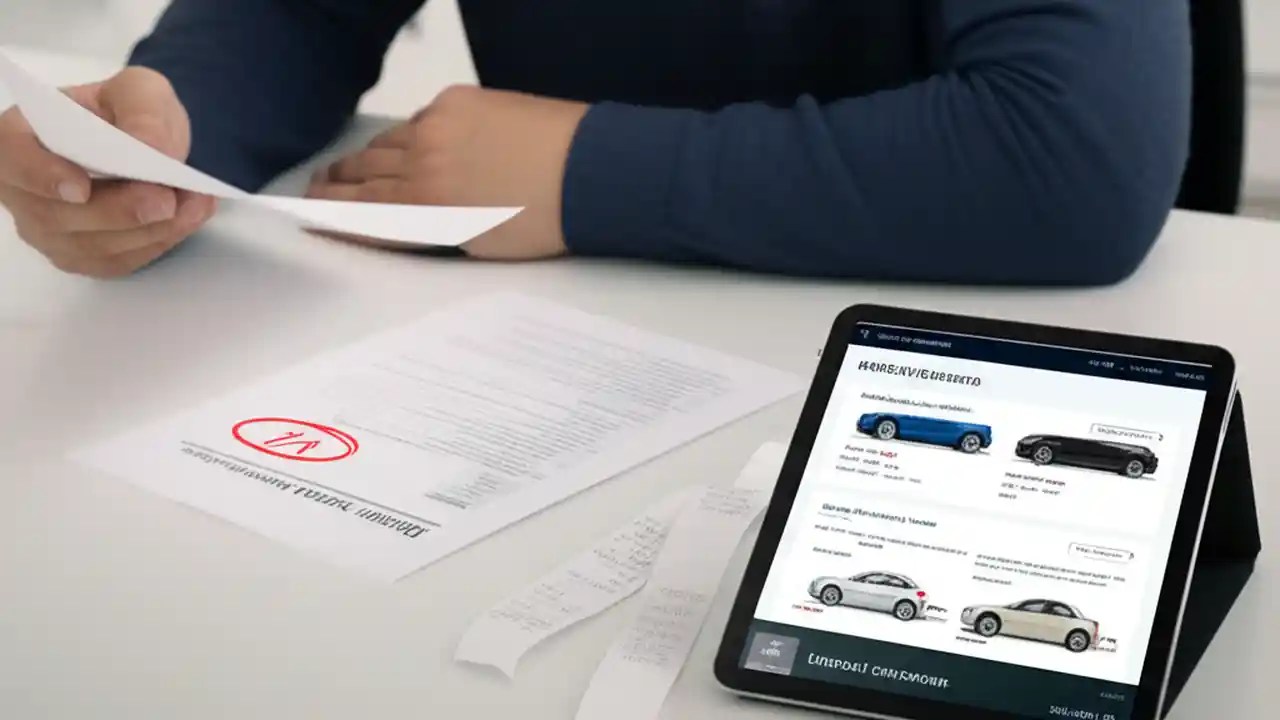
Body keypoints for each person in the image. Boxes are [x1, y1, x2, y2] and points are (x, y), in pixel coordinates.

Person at [0, 0, 1190, 284]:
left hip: (905, 348)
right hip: (546, 348)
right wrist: (164, 132)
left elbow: (1071, 159)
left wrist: (584, 172)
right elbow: (301, 13)